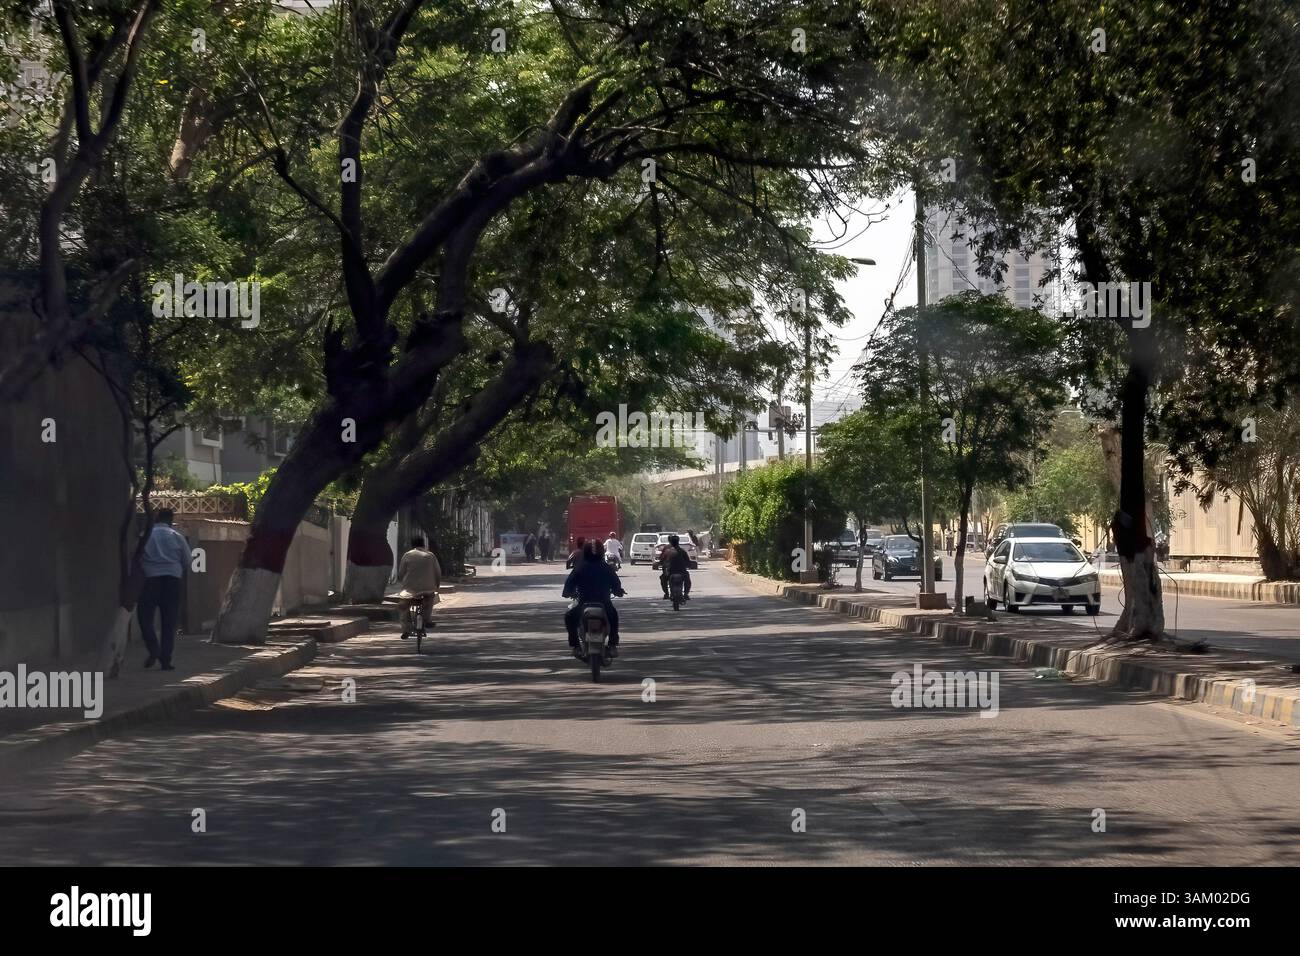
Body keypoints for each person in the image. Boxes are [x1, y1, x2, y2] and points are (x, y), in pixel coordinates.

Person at [138, 508, 191, 671]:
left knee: (144, 618)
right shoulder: (177, 536)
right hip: (172, 582)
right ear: (170, 520)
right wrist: (174, 569)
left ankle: (154, 649)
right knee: (169, 623)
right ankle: (166, 660)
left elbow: (137, 557)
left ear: (156, 518)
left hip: (150, 581)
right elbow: (188, 560)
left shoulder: (145, 535)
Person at [563, 542, 625, 657]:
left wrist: (567, 593)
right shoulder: (607, 568)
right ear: (602, 552)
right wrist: (618, 591)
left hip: (583, 604)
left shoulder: (579, 567)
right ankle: (612, 645)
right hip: (604, 604)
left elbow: (569, 584)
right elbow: (616, 584)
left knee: (569, 617)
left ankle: (576, 647)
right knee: (613, 617)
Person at [397, 535, 442, 639]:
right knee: (429, 600)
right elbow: (438, 573)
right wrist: (436, 586)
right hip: (428, 589)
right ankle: (426, 620)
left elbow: (400, 573)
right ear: (424, 544)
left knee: (403, 607)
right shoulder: (431, 556)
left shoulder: (407, 555)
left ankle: (406, 629)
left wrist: (402, 584)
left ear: (412, 545)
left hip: (409, 590)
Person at [658, 533, 693, 600]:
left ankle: (667, 594)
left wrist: (660, 564)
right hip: (681, 572)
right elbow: (688, 562)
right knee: (687, 580)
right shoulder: (682, 551)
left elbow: (661, 560)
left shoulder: (667, 551)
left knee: (663, 579)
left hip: (669, 573)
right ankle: (685, 594)